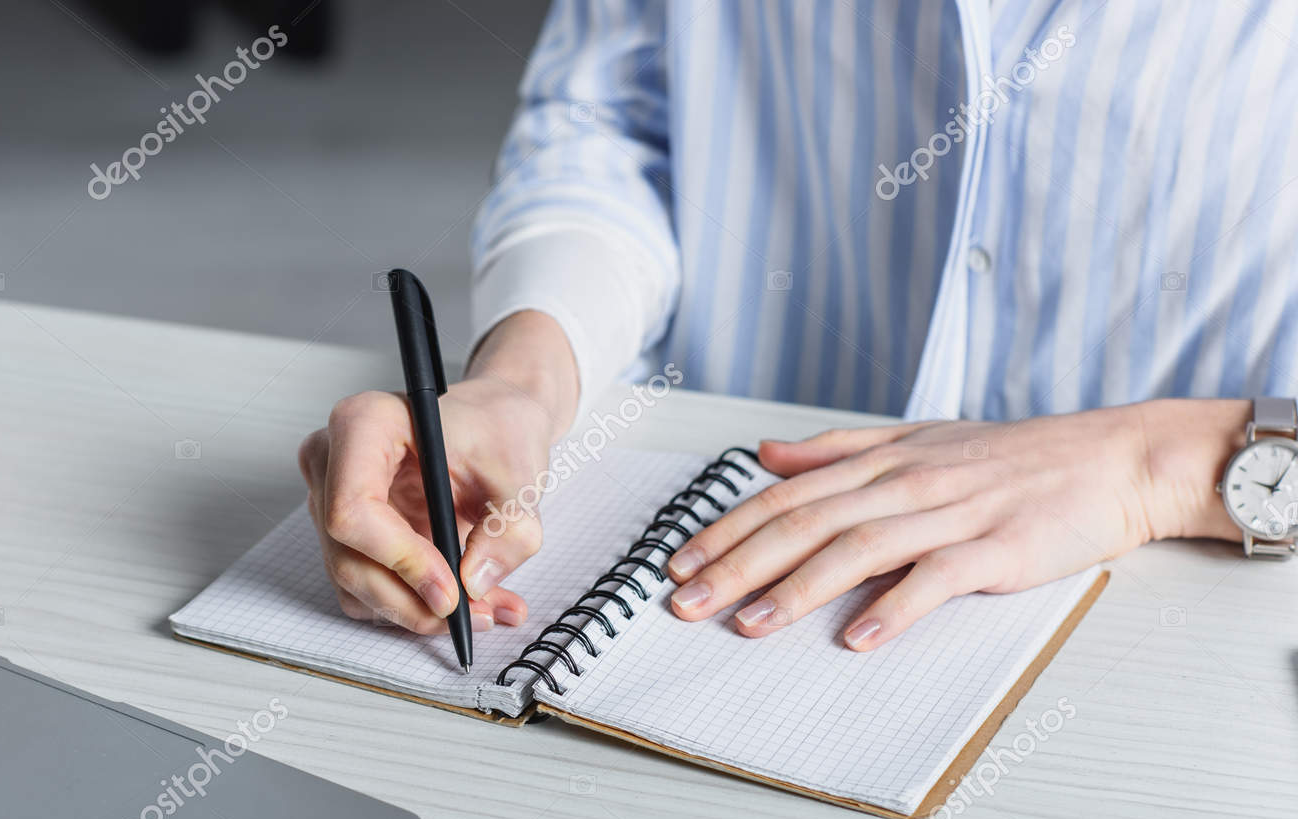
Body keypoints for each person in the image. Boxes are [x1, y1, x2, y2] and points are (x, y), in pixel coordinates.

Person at [299, 1, 1298, 652]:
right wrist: (524, 376)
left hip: (1199, 589)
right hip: (718, 534)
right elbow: (616, 121)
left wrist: (1163, 464)